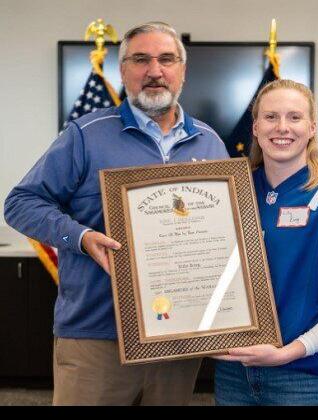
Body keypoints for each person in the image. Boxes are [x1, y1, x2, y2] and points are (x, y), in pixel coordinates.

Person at [4, 22, 229, 405]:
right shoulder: (85, 134)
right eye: (140, 59)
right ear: (122, 71)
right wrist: (81, 237)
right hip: (97, 337)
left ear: (182, 71)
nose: (154, 70)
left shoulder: (210, 142)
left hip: (178, 339)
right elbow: (20, 203)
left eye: (166, 59)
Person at [212, 79, 318, 406]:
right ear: (256, 127)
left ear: (312, 127)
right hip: (234, 375)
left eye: (294, 117)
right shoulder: (229, 192)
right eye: (271, 117)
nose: (282, 127)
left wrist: (287, 353)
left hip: (305, 379)